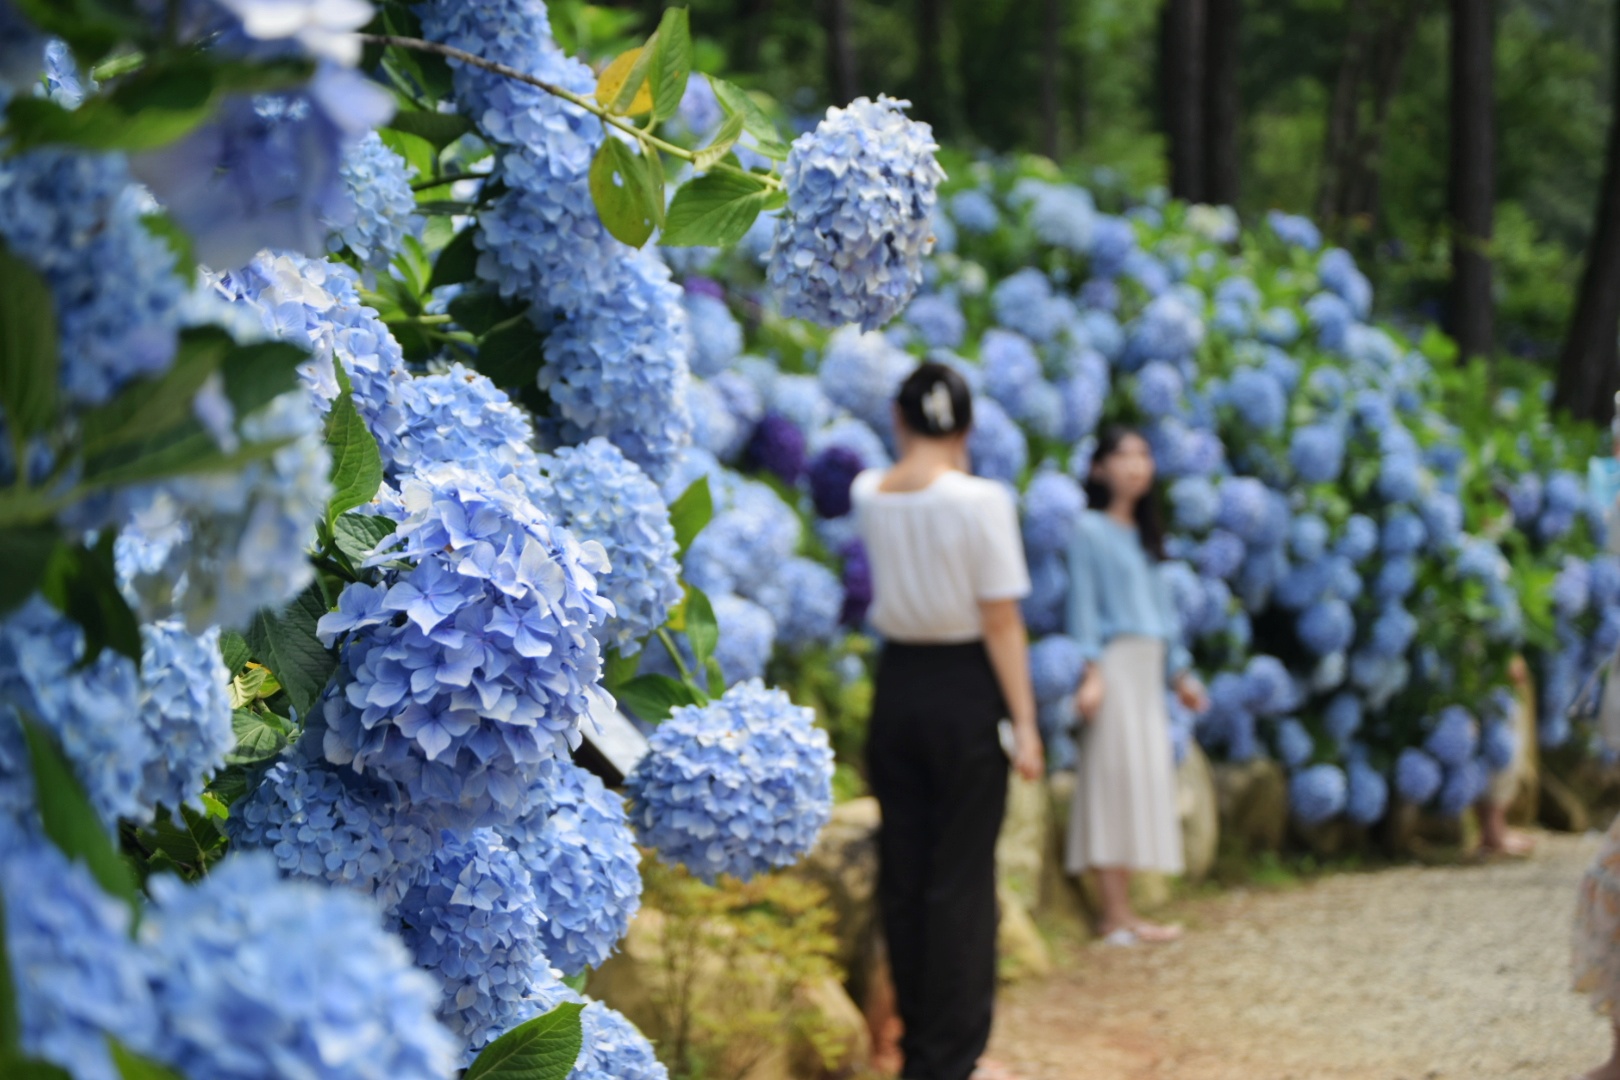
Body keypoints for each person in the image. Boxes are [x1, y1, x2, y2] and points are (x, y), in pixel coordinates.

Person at [853, 362, 1044, 1080]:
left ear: (898, 420)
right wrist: (1025, 724)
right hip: (965, 689)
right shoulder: (981, 501)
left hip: (898, 685)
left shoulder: (868, 492)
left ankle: (918, 1053)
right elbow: (1001, 621)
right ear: (966, 426)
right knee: (961, 879)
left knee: (906, 874)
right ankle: (952, 1059)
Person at [1065, 426, 1207, 945]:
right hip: (1116, 664)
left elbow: (1164, 618)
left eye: (1143, 455)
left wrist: (1180, 675)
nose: (1136, 465)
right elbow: (1083, 605)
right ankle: (1112, 914)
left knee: (1139, 782)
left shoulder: (1147, 538)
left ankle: (1125, 912)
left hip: (1149, 672)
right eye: (1124, 455)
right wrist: (1091, 671)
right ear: (1099, 467)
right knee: (1111, 780)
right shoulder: (1088, 529)